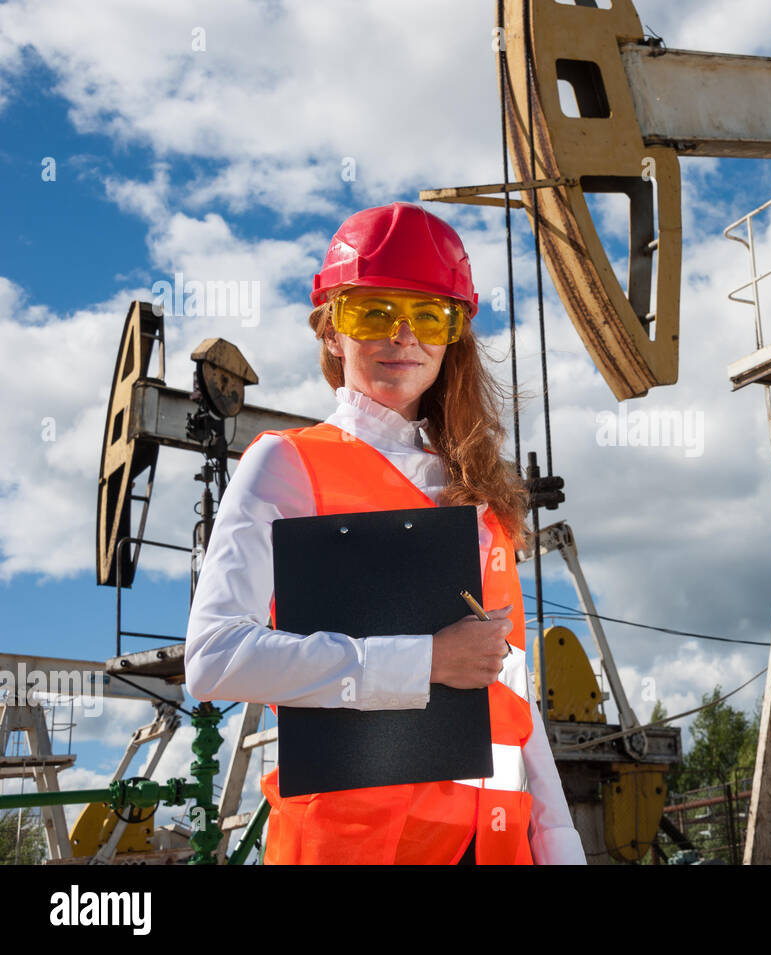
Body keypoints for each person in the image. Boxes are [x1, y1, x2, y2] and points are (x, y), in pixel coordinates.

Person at [184, 201, 586, 865]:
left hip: (496, 844)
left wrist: (560, 843)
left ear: (453, 333)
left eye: (429, 315)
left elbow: (510, 691)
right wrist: (426, 661)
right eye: (373, 312)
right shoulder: (288, 463)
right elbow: (215, 657)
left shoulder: (477, 494)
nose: (404, 336)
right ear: (333, 332)